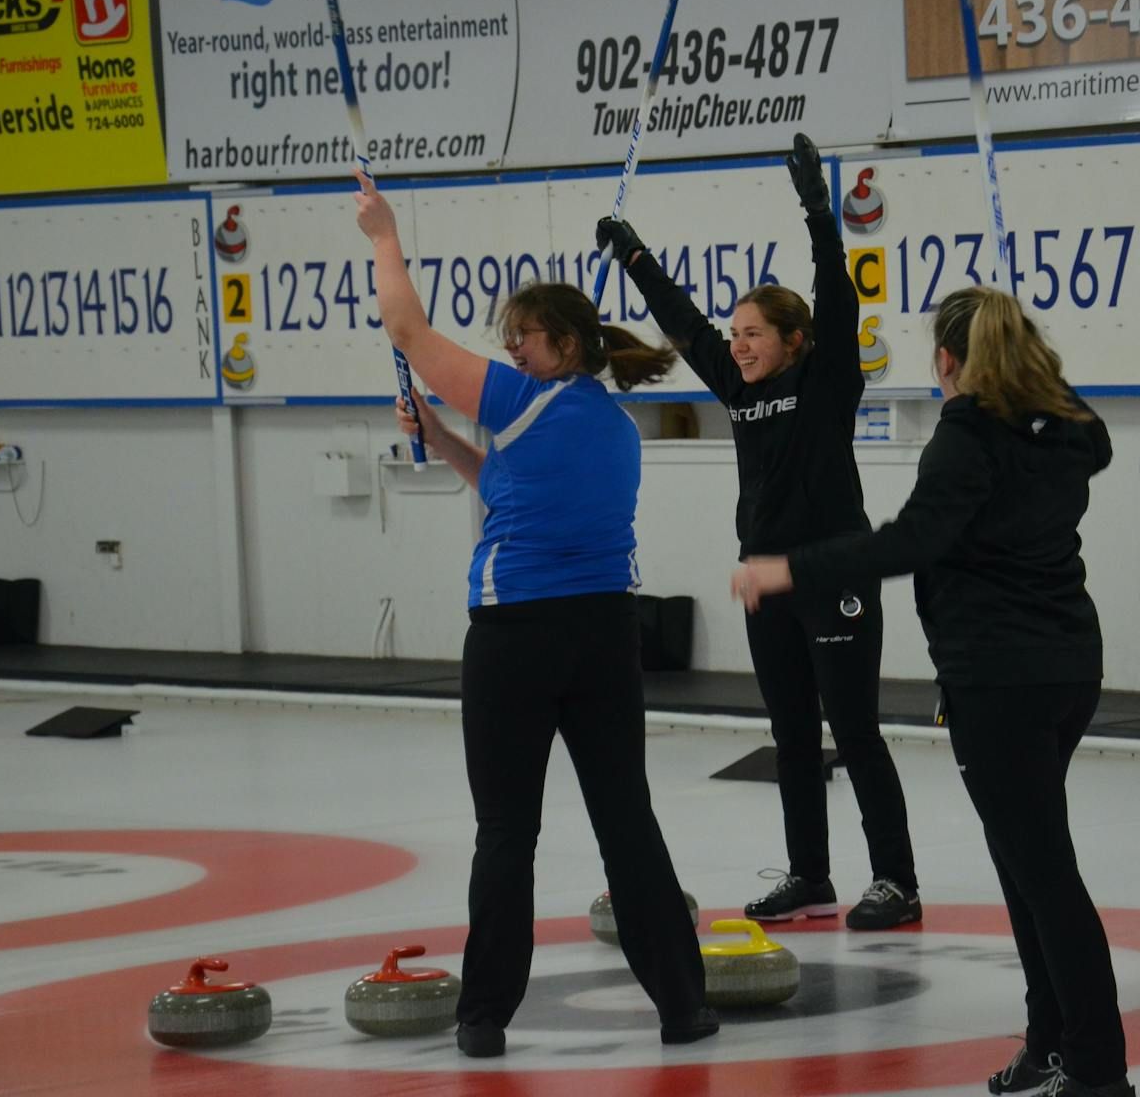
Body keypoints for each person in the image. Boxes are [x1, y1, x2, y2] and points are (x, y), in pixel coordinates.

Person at [352, 169, 718, 1058]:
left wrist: (383, 236)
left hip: (516, 641)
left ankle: (483, 1016)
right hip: (603, 638)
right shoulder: (612, 426)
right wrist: (442, 441)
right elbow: (514, 495)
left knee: (506, 832)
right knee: (624, 817)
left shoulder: (522, 402)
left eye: (521, 340)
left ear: (561, 343)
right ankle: (682, 1004)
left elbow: (406, 326)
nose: (510, 353)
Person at [734, 286, 1129, 1097]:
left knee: (1044, 877)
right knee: (1027, 865)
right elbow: (1091, 437)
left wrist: (790, 567)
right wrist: (1037, 367)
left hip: (998, 678)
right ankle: (1051, 1043)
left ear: (948, 362)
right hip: (1066, 671)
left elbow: (910, 542)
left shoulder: (966, 436)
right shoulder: (1067, 431)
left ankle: (1094, 1072)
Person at [595, 134, 920, 931]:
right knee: (790, 735)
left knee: (855, 731)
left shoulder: (825, 378)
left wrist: (819, 213)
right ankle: (810, 874)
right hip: (762, 579)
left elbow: (836, 298)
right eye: (734, 334)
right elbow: (679, 315)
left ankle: (896, 881)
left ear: (793, 342)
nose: (736, 344)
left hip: (833, 575)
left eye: (752, 334)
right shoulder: (737, 390)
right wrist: (632, 255)